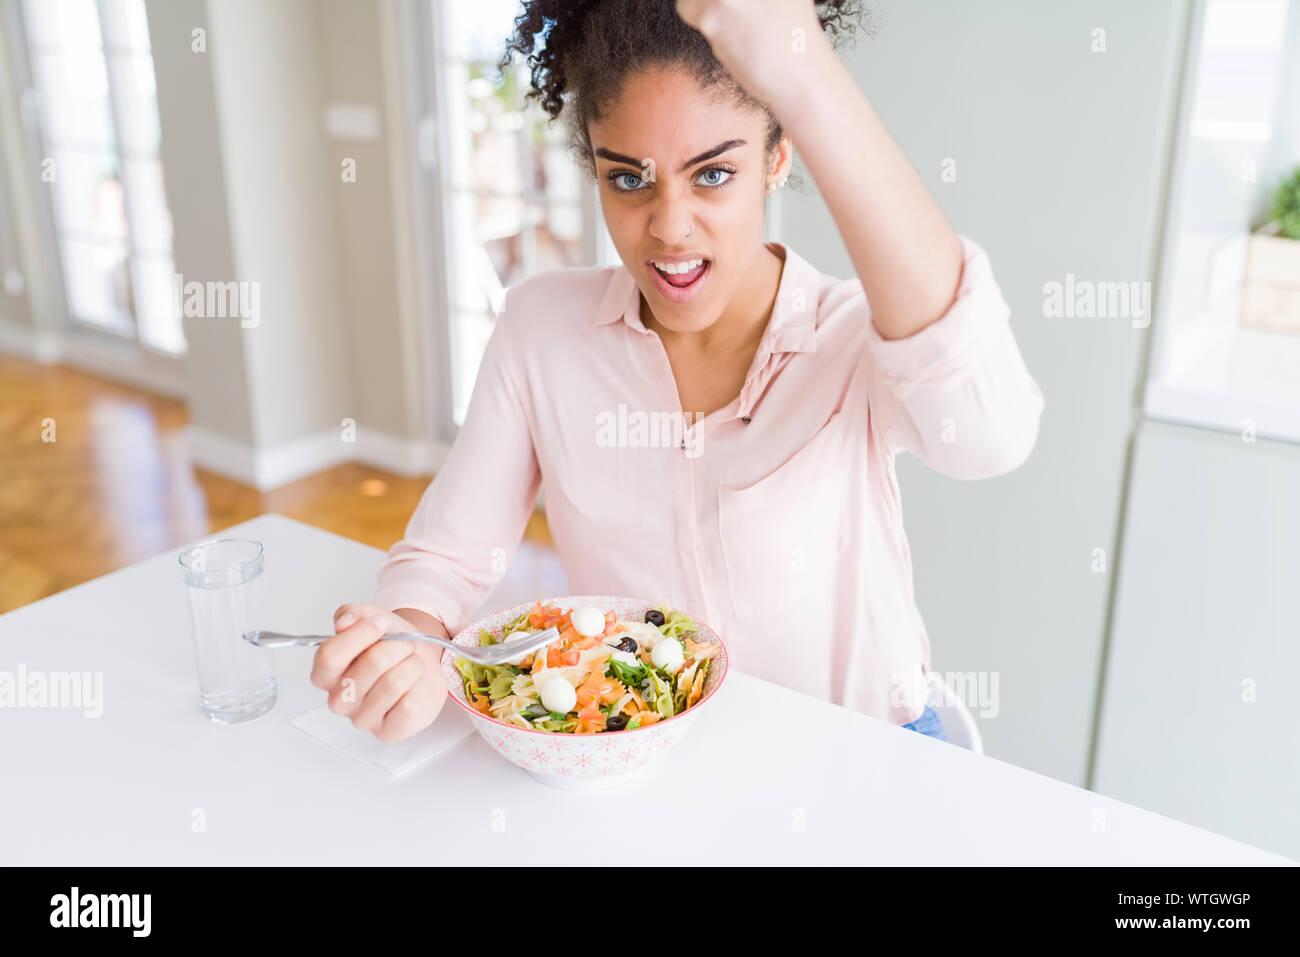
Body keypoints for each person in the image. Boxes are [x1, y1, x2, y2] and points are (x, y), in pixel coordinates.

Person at [312, 0, 1044, 745]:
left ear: (778, 156)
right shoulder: (541, 332)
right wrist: (408, 635)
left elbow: (993, 437)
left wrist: (805, 72)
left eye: (714, 173)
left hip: (860, 765)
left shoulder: (851, 335)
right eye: (629, 180)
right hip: (647, 760)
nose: (668, 225)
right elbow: (447, 558)